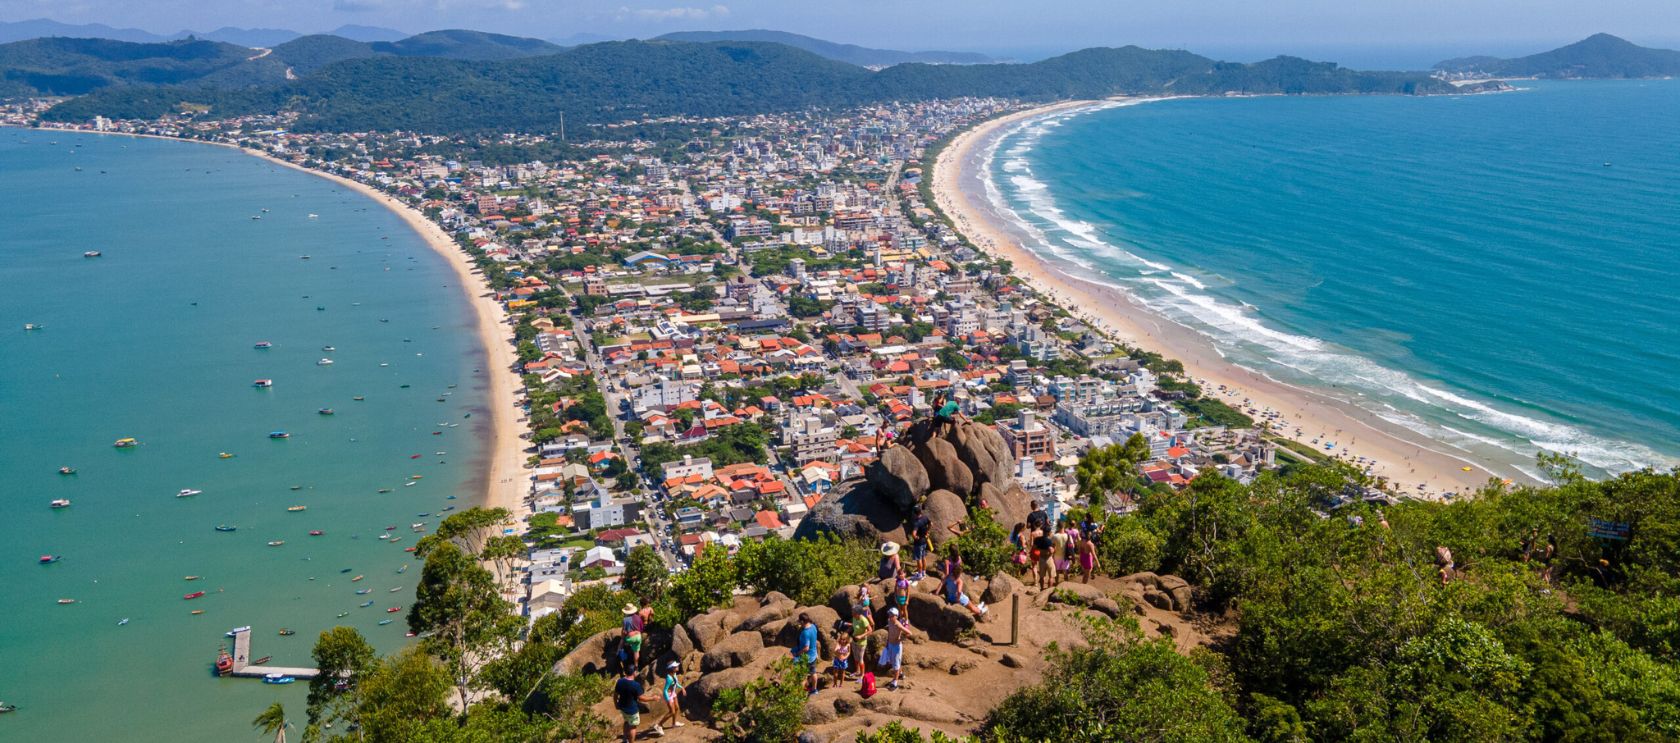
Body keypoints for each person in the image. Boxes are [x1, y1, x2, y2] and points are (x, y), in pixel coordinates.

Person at [614, 665, 652, 742]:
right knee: (633, 727)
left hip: (622, 707)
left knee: (626, 722)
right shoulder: (635, 685)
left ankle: (624, 739)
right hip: (632, 710)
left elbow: (615, 695)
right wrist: (653, 698)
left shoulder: (620, 681)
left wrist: (616, 704)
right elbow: (642, 698)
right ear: (634, 672)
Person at [879, 606, 910, 691]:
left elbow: (909, 633)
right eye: (889, 614)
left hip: (896, 646)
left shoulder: (897, 624)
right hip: (891, 644)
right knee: (894, 662)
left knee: (896, 664)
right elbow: (890, 633)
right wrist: (887, 643)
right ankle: (900, 674)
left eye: (892, 615)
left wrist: (901, 639)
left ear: (896, 616)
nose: (890, 616)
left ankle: (895, 683)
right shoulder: (890, 621)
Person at [848, 593, 874, 681]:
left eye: (853, 612)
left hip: (862, 642)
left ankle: (862, 675)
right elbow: (853, 626)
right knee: (855, 657)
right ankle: (857, 671)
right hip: (854, 640)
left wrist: (861, 636)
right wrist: (847, 632)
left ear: (858, 613)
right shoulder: (854, 618)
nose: (852, 613)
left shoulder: (863, 619)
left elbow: (870, 630)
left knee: (860, 659)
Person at [793, 612, 821, 694]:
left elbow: (806, 648)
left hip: (806, 657)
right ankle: (814, 689)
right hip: (813, 654)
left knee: (802, 674)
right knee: (813, 672)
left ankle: (801, 693)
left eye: (799, 621)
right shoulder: (813, 626)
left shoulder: (805, 633)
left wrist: (797, 654)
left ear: (802, 621)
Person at [655, 661, 686, 731]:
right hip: (668, 695)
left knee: (677, 708)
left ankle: (674, 723)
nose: (678, 667)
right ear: (672, 668)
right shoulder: (669, 678)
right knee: (672, 712)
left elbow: (676, 683)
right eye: (676, 666)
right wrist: (668, 699)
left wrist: (682, 688)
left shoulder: (674, 674)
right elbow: (665, 690)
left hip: (673, 693)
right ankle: (659, 725)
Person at [620, 602, 646, 672]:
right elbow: (641, 629)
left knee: (623, 646)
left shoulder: (625, 620)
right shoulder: (638, 618)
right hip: (638, 637)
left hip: (630, 638)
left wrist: (623, 638)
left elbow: (624, 631)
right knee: (636, 652)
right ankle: (636, 667)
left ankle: (625, 664)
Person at [909, 506, 933, 580]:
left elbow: (913, 533)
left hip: (918, 543)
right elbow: (931, 524)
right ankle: (923, 572)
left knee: (918, 558)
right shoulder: (925, 518)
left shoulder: (917, 522)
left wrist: (916, 537)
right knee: (923, 557)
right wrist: (927, 532)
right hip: (924, 541)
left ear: (914, 513)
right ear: (920, 511)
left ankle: (919, 574)